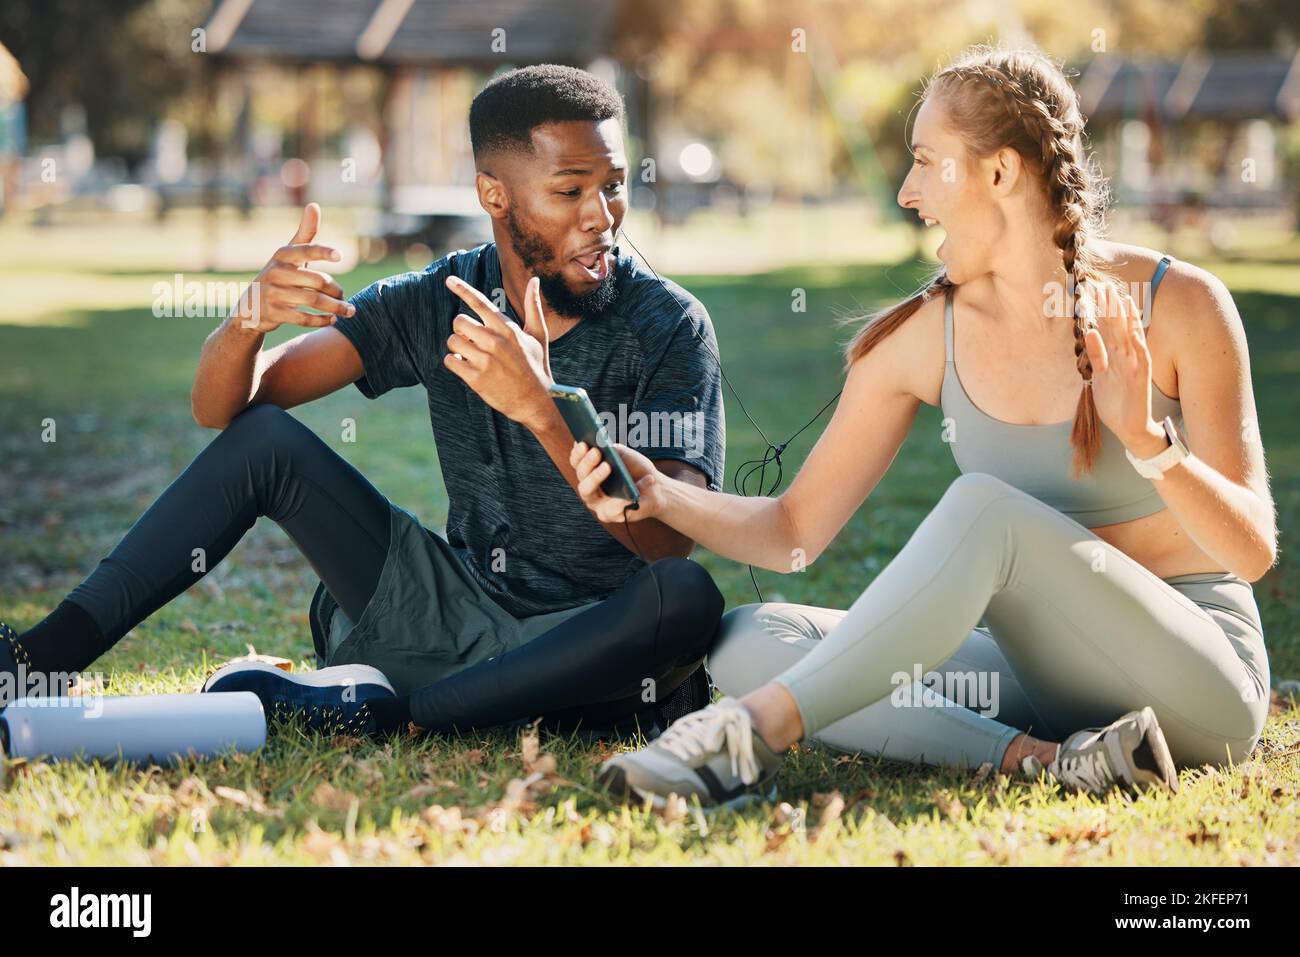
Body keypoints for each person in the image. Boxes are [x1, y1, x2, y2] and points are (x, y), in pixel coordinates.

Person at [570, 46, 1276, 805]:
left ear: (999, 173)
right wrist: (662, 495)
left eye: (926, 161)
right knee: (753, 640)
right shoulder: (924, 335)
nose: (908, 191)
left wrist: (1147, 443)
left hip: (1200, 690)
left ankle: (741, 736)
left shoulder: (1181, 305)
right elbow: (794, 529)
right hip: (1043, 682)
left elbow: (1252, 549)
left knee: (986, 510)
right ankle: (1044, 759)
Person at [0, 65, 727, 739]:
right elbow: (227, 409)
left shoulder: (669, 324)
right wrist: (247, 320)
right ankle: (37, 661)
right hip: (455, 612)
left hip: (589, 639)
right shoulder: (437, 299)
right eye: (571, 190)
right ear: (494, 195)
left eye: (614, 184)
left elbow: (668, 540)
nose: (602, 214)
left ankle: (414, 708)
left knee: (684, 595)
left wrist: (545, 409)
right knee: (267, 443)